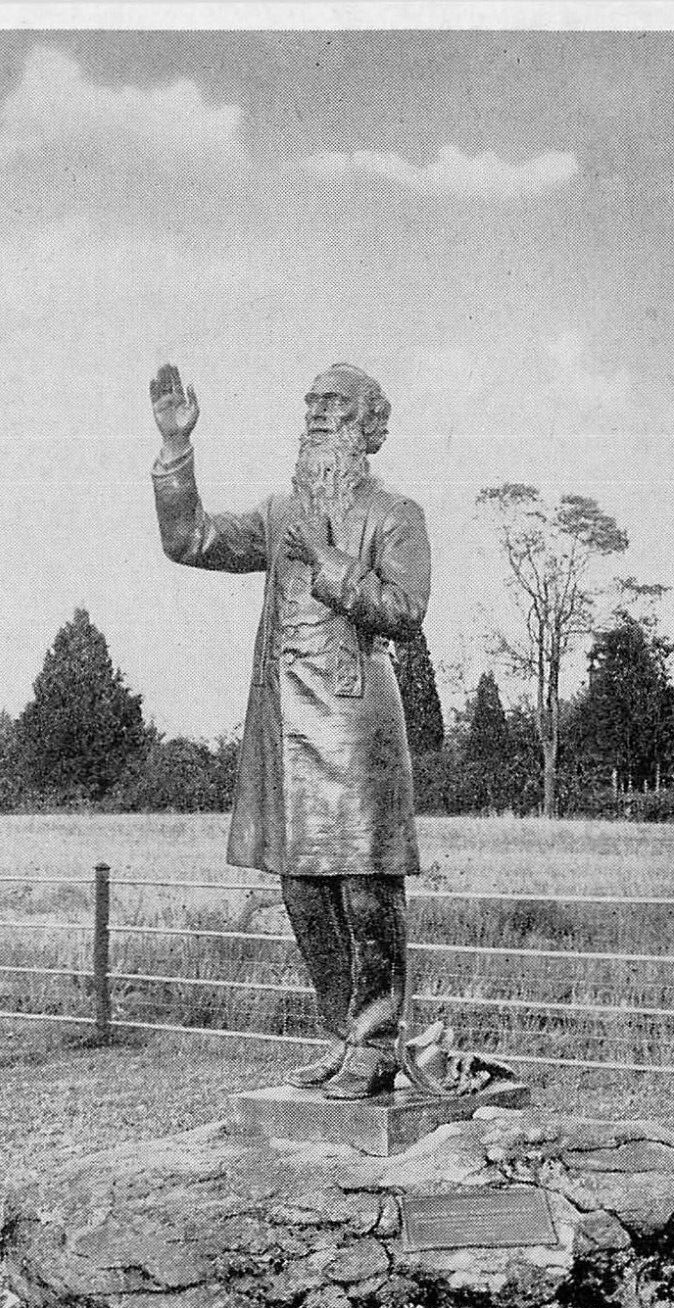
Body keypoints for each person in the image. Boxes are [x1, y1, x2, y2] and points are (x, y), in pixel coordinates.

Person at [150, 361, 430, 1098]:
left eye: (333, 404)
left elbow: (405, 611)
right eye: (309, 403)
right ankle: (345, 1038)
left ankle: (378, 1041)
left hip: (356, 720)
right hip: (286, 729)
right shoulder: (278, 514)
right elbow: (193, 540)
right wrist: (177, 448)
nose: (315, 413)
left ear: (368, 424)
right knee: (304, 889)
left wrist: (327, 561)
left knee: (366, 888)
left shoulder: (398, 513)